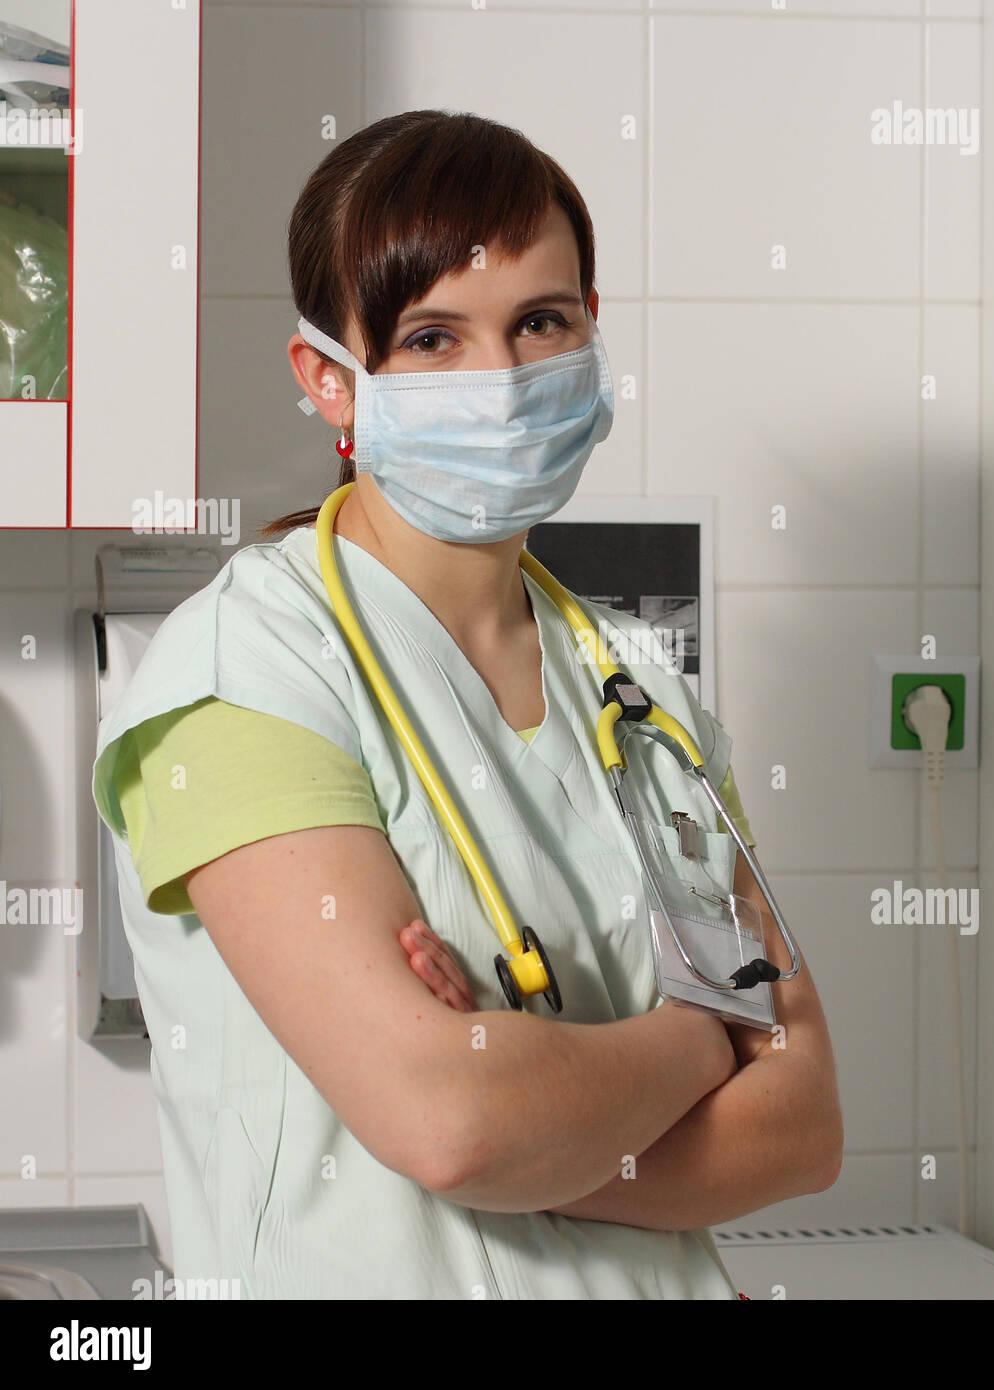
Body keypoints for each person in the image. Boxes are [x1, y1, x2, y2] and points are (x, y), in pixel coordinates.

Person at [91, 109, 843, 1299]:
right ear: (329, 382)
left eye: (541, 321)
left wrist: (531, 1104)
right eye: (432, 338)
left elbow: (802, 1127)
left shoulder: (642, 689)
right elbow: (454, 1126)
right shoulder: (242, 673)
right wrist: (708, 1039)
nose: (500, 380)